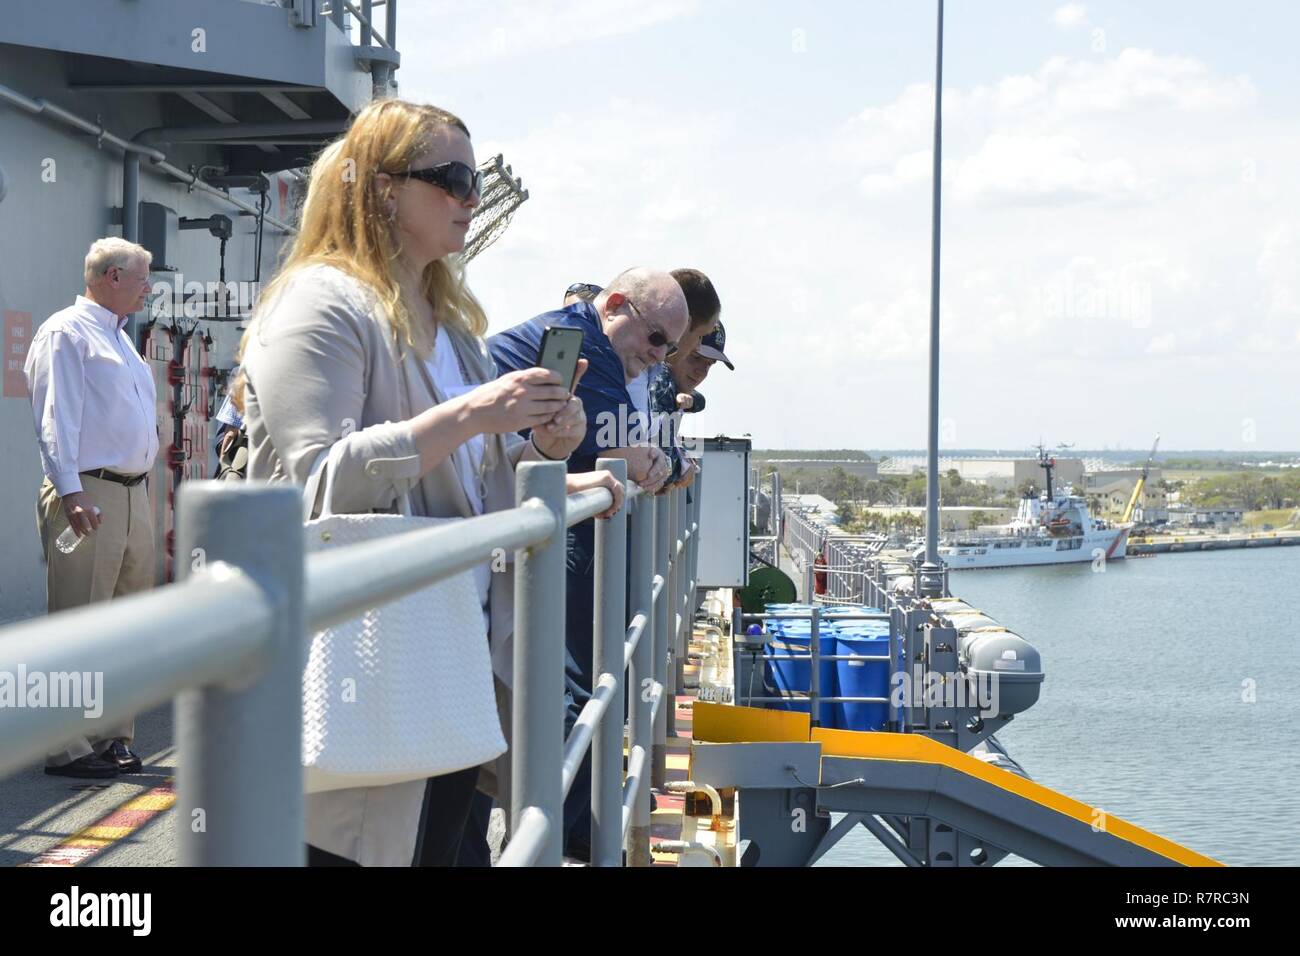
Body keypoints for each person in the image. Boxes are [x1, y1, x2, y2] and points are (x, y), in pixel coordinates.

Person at [237, 98, 622, 867]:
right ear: (382, 189)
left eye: (475, 180)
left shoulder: (448, 321)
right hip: (365, 664)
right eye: (450, 179)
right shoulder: (321, 302)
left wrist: (541, 447)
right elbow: (319, 484)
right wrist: (477, 412)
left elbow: (470, 481)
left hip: (445, 660)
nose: (472, 199)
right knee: (352, 849)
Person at [488, 269, 688, 859]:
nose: (658, 359)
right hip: (481, 525)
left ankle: (565, 824)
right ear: (616, 305)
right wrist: (649, 459)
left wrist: (650, 457)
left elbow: (632, 447)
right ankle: (559, 828)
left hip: (504, 519)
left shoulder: (595, 347)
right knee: (583, 686)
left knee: (596, 680)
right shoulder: (581, 347)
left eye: (669, 350)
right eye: (656, 340)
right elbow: (605, 446)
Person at [23, 237, 158, 778]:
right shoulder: (66, 332)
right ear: (112, 277)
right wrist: (70, 489)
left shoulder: (122, 341)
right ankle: (65, 745)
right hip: (88, 491)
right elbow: (56, 416)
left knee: (125, 623)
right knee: (80, 618)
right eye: (144, 279)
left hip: (133, 494)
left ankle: (111, 736)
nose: (151, 288)